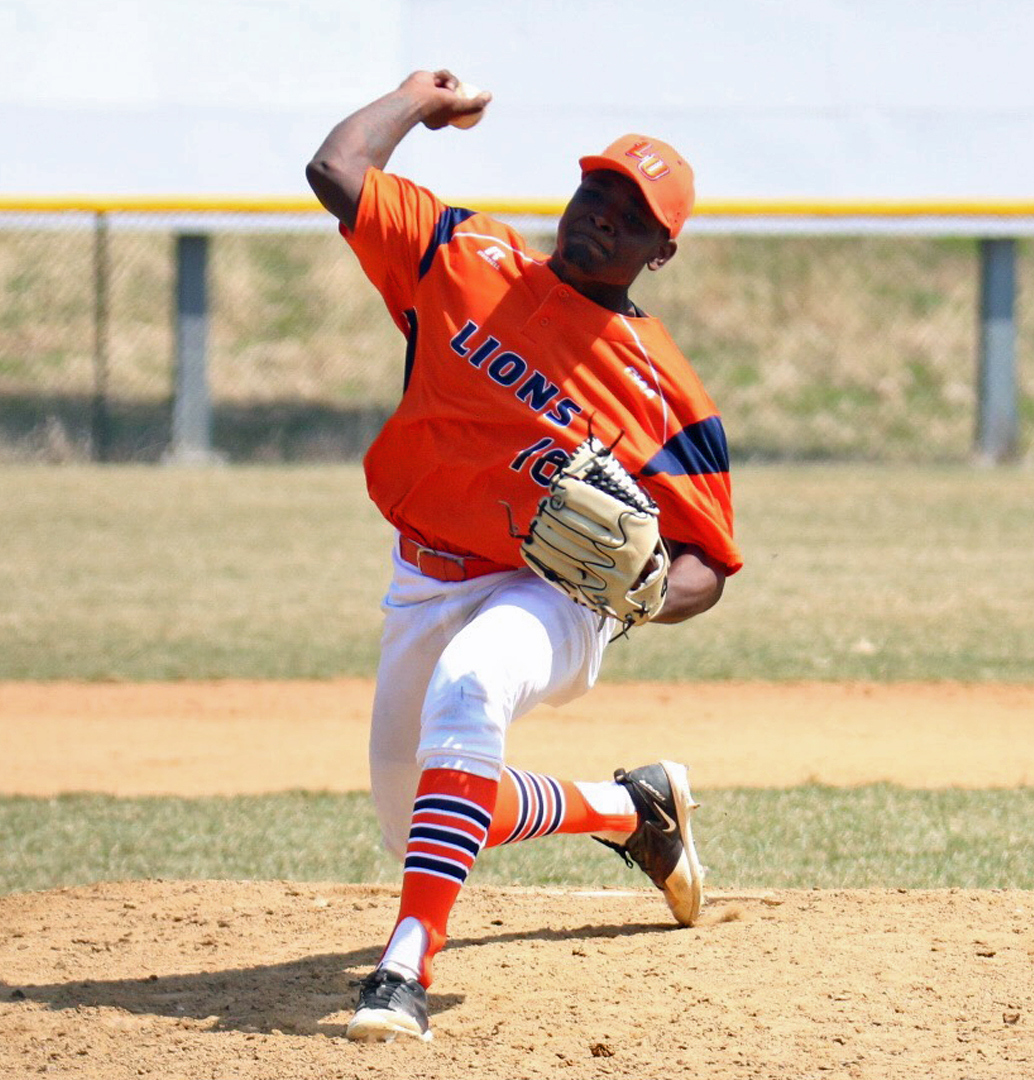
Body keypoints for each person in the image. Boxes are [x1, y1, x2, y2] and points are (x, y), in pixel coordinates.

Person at [304, 69, 742, 1044]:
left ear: (661, 252)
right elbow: (337, 169)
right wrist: (422, 98)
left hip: (552, 598)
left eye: (630, 217)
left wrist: (643, 587)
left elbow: (709, 564)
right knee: (418, 816)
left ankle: (404, 966)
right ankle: (629, 811)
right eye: (597, 193)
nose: (601, 220)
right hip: (425, 574)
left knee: (470, 690)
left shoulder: (666, 395)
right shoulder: (467, 258)